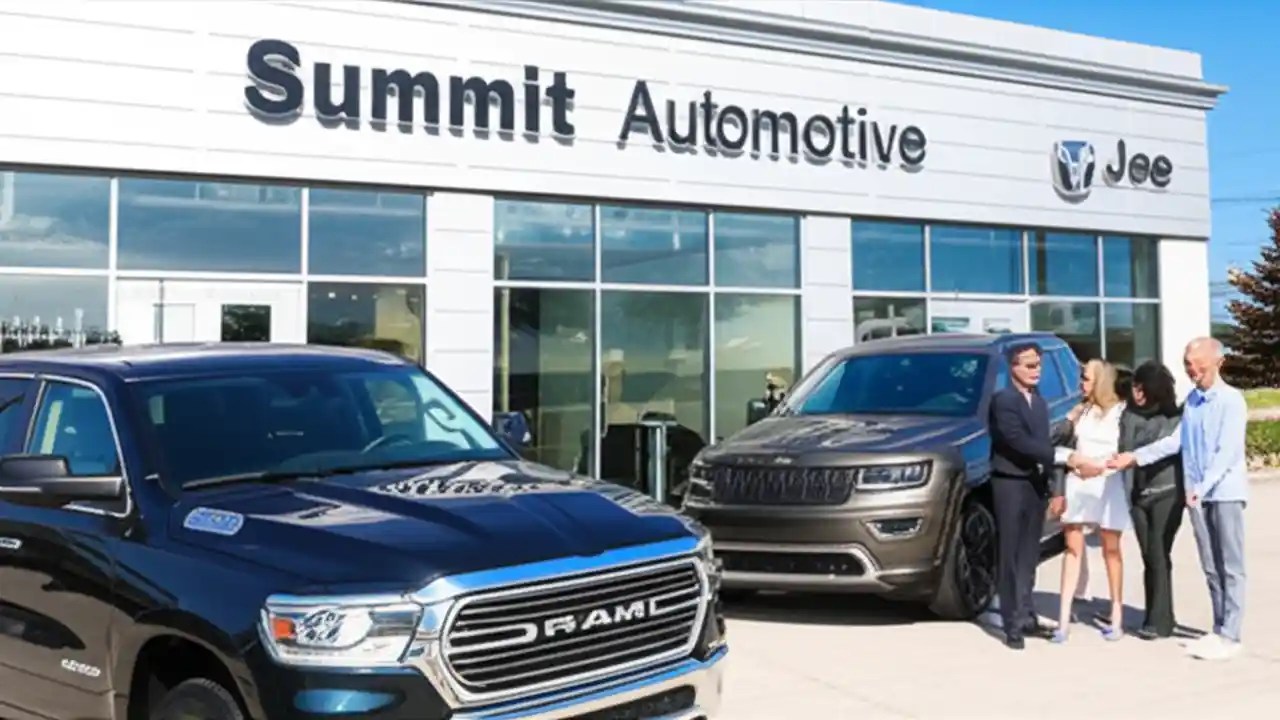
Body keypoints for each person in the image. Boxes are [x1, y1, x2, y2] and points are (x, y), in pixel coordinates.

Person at [1109, 337, 1249, 660]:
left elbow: (1226, 454)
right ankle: (1218, 628)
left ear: (1218, 362)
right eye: (1188, 364)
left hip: (1223, 493)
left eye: (1198, 364)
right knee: (1211, 565)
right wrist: (1133, 457)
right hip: (1197, 496)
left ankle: (1231, 633)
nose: (1192, 370)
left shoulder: (1231, 401)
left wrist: (1203, 486)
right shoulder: (1194, 402)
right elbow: (1175, 443)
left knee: (1231, 565)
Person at [1050, 359, 1128, 643]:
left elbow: (1126, 450)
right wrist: (1075, 458)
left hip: (1108, 483)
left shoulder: (1121, 412)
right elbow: (1054, 445)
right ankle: (1062, 619)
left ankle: (1116, 614)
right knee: (1072, 547)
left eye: (1086, 378)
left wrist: (1101, 466)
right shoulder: (1080, 413)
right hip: (1078, 482)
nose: (1081, 383)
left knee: (1111, 549)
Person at [988, 343, 1058, 649]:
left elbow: (1040, 442)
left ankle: (1027, 615)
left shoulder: (1039, 402)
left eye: (1038, 365)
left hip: (1034, 485)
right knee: (1011, 555)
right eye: (1029, 365)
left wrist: (1053, 484)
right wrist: (1062, 456)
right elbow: (1016, 439)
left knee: (1030, 554)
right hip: (1010, 483)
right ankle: (1011, 623)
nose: (1036, 371)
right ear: (1013, 368)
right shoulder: (1004, 401)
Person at [1120, 360, 1185, 640]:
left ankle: (1156, 621)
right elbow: (1123, 450)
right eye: (1134, 387)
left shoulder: (1176, 417)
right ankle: (1162, 615)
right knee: (1149, 557)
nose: (1136, 393)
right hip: (1137, 496)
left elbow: (1169, 448)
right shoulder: (1128, 416)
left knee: (1159, 552)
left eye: (1141, 387)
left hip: (1167, 492)